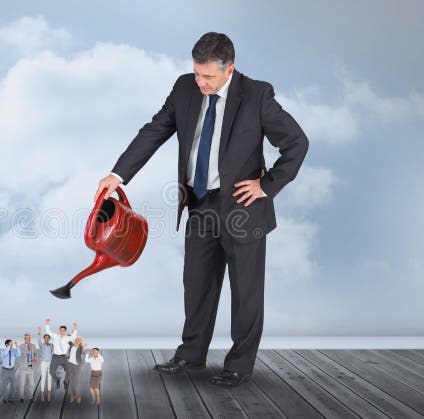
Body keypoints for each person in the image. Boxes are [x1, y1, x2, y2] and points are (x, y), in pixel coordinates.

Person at [95, 32, 308, 387]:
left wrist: (267, 186)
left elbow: (297, 143)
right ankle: (191, 355)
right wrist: (119, 174)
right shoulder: (184, 88)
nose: (201, 82)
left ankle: (238, 366)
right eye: (196, 73)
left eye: (208, 76)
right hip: (199, 204)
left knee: (246, 292)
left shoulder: (256, 95)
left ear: (230, 70)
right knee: (196, 285)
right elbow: (154, 131)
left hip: (243, 207)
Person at [45, 318, 77, 390]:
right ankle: (57, 380)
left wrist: (74, 329)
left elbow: (73, 336)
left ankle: (65, 382)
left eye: (63, 331)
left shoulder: (67, 338)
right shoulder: (55, 336)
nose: (62, 331)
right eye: (61, 330)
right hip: (55, 357)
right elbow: (48, 331)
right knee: (51, 371)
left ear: (65, 331)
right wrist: (47, 324)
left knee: (69, 370)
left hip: (63, 357)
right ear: (59, 331)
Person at [17, 333, 37, 403]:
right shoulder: (21, 346)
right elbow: (22, 355)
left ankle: (31, 397)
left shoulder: (33, 346)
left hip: (31, 367)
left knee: (32, 384)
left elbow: (35, 354)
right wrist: (29, 350)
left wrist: (35, 359)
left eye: (29, 338)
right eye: (27, 338)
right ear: (24, 339)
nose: (28, 339)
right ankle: (21, 397)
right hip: (23, 368)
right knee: (22, 384)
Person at [65, 337, 86, 403]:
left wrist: (83, 346)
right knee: (71, 381)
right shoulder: (71, 345)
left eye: (79, 340)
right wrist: (72, 332)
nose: (77, 341)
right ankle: (72, 396)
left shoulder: (80, 347)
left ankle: (78, 396)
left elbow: (83, 352)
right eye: (76, 340)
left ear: (80, 342)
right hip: (70, 364)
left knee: (77, 381)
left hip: (77, 365)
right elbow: (67, 339)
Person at [36, 326, 54, 401]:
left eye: (48, 338)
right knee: (43, 377)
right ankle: (42, 393)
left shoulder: (52, 345)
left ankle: (49, 392)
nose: (46, 339)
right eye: (45, 338)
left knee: (50, 377)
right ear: (44, 339)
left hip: (50, 362)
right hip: (43, 362)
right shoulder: (41, 345)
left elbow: (54, 352)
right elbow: (38, 340)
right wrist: (39, 332)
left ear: (49, 339)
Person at [0, 339, 20, 403]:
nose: (12, 344)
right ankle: (5, 399)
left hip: (12, 370)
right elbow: (5, 353)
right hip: (5, 370)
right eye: (10, 343)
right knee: (4, 385)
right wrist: (9, 346)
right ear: (6, 344)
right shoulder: (3, 350)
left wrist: (17, 346)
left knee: (14, 385)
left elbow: (19, 354)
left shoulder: (13, 351)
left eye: (12, 343)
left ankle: (11, 398)